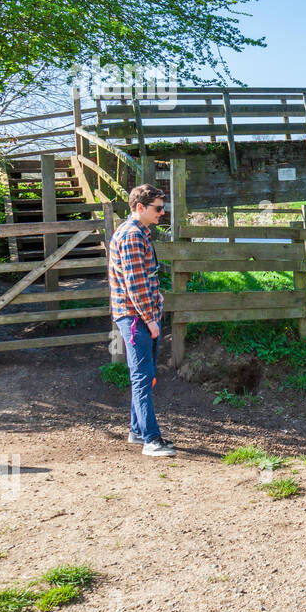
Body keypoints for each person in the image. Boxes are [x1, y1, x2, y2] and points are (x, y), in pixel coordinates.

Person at [109, 184, 175, 457]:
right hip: (137, 317)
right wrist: (150, 319)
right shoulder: (133, 236)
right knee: (142, 377)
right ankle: (151, 439)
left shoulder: (137, 233)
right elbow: (135, 284)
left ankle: (137, 430)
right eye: (158, 208)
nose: (162, 213)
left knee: (145, 376)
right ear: (140, 208)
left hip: (138, 315)